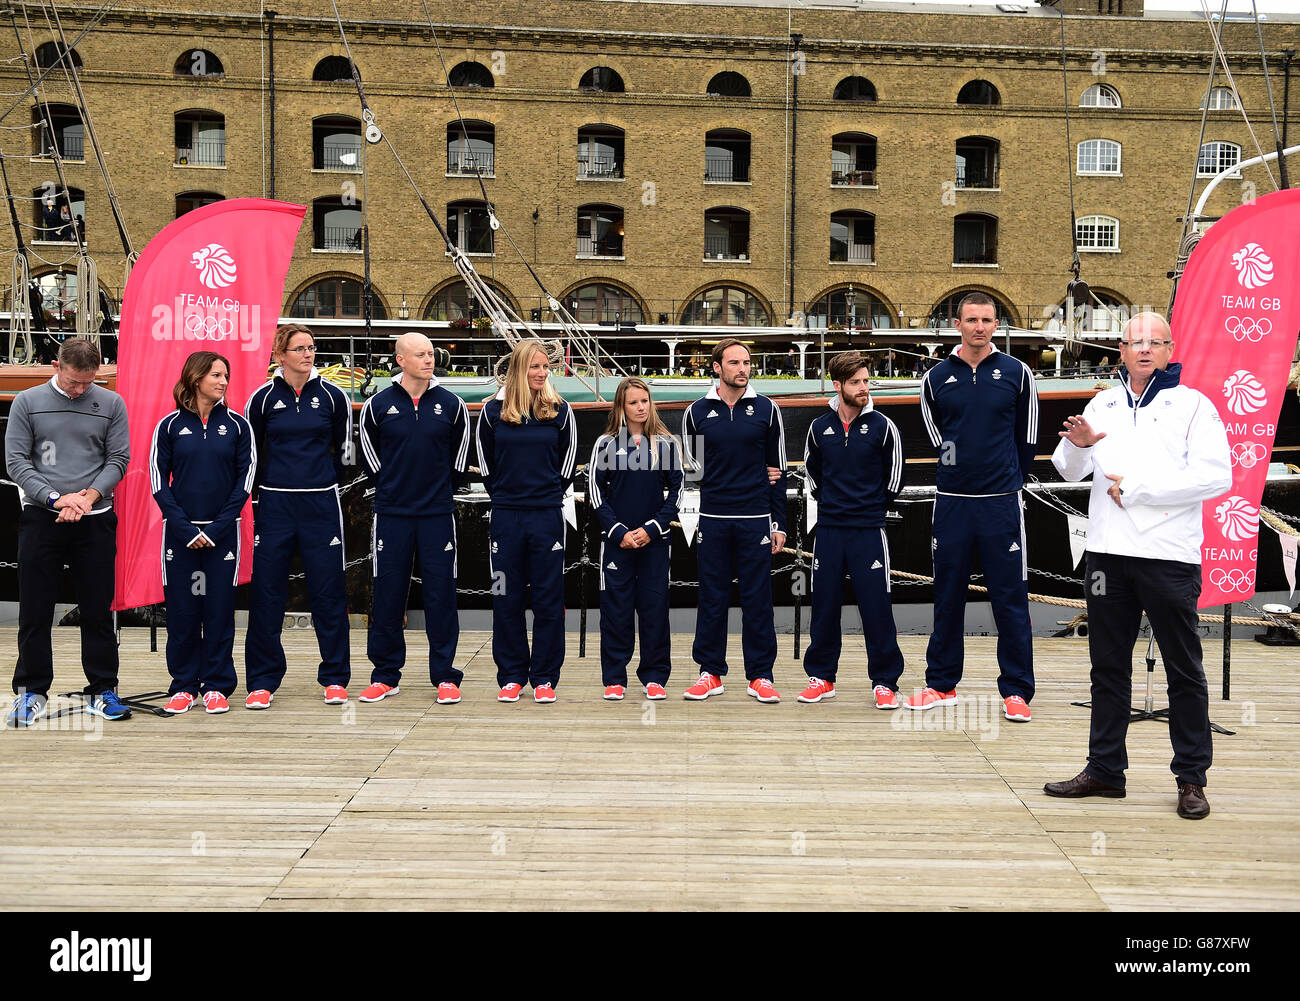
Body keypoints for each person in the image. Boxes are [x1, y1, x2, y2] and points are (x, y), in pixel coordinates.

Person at [1045, 312, 1231, 819]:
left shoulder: (1194, 405)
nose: (1145, 349)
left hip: (1168, 554)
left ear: (1170, 349)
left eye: (1155, 341)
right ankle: (1105, 769)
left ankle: (1191, 778)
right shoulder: (1102, 402)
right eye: (1135, 342)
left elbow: (1216, 477)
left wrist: (1140, 491)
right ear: (1121, 351)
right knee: (1107, 666)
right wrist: (1079, 446)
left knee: (1183, 668)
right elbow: (1068, 469)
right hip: (1108, 553)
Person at [912, 291, 1039, 721]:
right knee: (947, 595)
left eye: (986, 320)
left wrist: (1008, 476)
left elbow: (1028, 434)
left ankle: (1017, 690)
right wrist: (959, 469)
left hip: (1001, 503)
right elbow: (936, 434)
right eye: (971, 320)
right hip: (953, 503)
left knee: (1010, 598)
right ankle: (941, 684)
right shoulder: (935, 378)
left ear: (996, 325)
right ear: (958, 325)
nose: (979, 327)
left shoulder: (1017, 373)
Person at [5, 338, 130, 727]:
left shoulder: (111, 403)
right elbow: (16, 462)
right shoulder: (26, 402)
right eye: (74, 381)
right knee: (35, 609)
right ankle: (31, 692)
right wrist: (57, 499)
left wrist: (87, 499)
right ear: (56, 366)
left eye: (88, 382)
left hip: (94, 517)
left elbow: (118, 459)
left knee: (97, 609)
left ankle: (102, 689)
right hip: (42, 516)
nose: (80, 390)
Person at [242, 324, 353, 709]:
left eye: (311, 347)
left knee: (329, 591)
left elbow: (344, 452)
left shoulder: (334, 397)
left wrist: (321, 481)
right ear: (280, 355)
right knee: (267, 593)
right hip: (275, 505)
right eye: (300, 348)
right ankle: (262, 681)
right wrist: (264, 491)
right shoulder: (261, 399)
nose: (308, 354)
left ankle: (335, 678)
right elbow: (251, 455)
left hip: (320, 505)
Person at [357, 333, 470, 705]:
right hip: (392, 514)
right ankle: (385, 675)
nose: (429, 359)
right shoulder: (377, 405)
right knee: (388, 594)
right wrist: (393, 487)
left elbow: (460, 455)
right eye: (420, 354)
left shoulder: (452, 405)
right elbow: (369, 456)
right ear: (400, 360)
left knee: (442, 594)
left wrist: (441, 489)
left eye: (431, 353)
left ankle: (445, 676)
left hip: (437, 514)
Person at [680, 338, 787, 703]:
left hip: (755, 519)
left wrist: (779, 523)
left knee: (758, 600)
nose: (743, 369)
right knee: (712, 598)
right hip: (713, 519)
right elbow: (691, 473)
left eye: (747, 362)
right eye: (735, 363)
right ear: (717, 367)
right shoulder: (695, 413)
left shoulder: (768, 410)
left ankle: (761, 676)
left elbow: (778, 471)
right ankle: (710, 673)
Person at [150, 351, 255, 715]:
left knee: (219, 613)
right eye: (216, 375)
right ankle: (183, 686)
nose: (223, 382)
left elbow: (244, 481)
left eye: (226, 376)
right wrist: (183, 527)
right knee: (182, 613)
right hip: (179, 536)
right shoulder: (169, 426)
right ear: (196, 379)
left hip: (222, 535)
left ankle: (216, 686)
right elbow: (158, 481)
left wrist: (217, 527)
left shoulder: (239, 426)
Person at [475, 339, 578, 703]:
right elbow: (485, 464)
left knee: (549, 599)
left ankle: (545, 677)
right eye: (535, 366)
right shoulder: (492, 411)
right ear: (518, 369)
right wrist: (506, 496)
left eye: (545, 367)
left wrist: (547, 495)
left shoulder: (561, 410)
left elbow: (568, 463)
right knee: (505, 596)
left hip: (547, 516)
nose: (542, 372)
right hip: (506, 517)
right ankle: (512, 676)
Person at [801, 351, 906, 707]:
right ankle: (822, 677)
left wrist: (870, 508)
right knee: (824, 606)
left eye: (866, 381)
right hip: (830, 530)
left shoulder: (883, 426)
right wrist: (832, 504)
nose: (864, 388)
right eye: (856, 382)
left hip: (868, 530)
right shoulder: (819, 428)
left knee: (876, 607)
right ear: (837, 385)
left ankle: (885, 682)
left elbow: (895, 477)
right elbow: (812, 473)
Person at [588, 377, 684, 700]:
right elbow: (595, 491)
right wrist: (618, 531)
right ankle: (615, 678)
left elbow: (677, 491)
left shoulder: (666, 444)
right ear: (621, 406)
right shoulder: (605, 444)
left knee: (654, 609)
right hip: (617, 543)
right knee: (616, 611)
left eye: (645, 401)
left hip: (654, 542)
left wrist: (652, 528)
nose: (641, 407)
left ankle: (654, 676)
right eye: (633, 402)